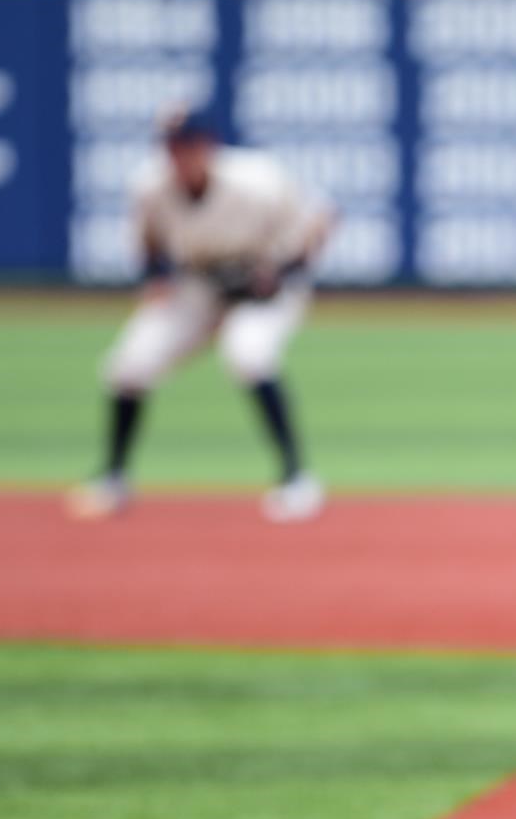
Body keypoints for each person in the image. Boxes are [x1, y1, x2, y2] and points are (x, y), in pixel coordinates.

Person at [70, 110, 335, 523]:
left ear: (209, 146)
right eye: (174, 147)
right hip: (198, 286)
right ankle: (114, 478)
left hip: (262, 284)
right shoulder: (149, 186)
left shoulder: (256, 179)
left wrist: (283, 273)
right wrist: (155, 279)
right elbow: (149, 244)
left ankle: (296, 478)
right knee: (129, 365)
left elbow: (321, 218)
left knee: (248, 354)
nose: (181, 156)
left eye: (189, 145)